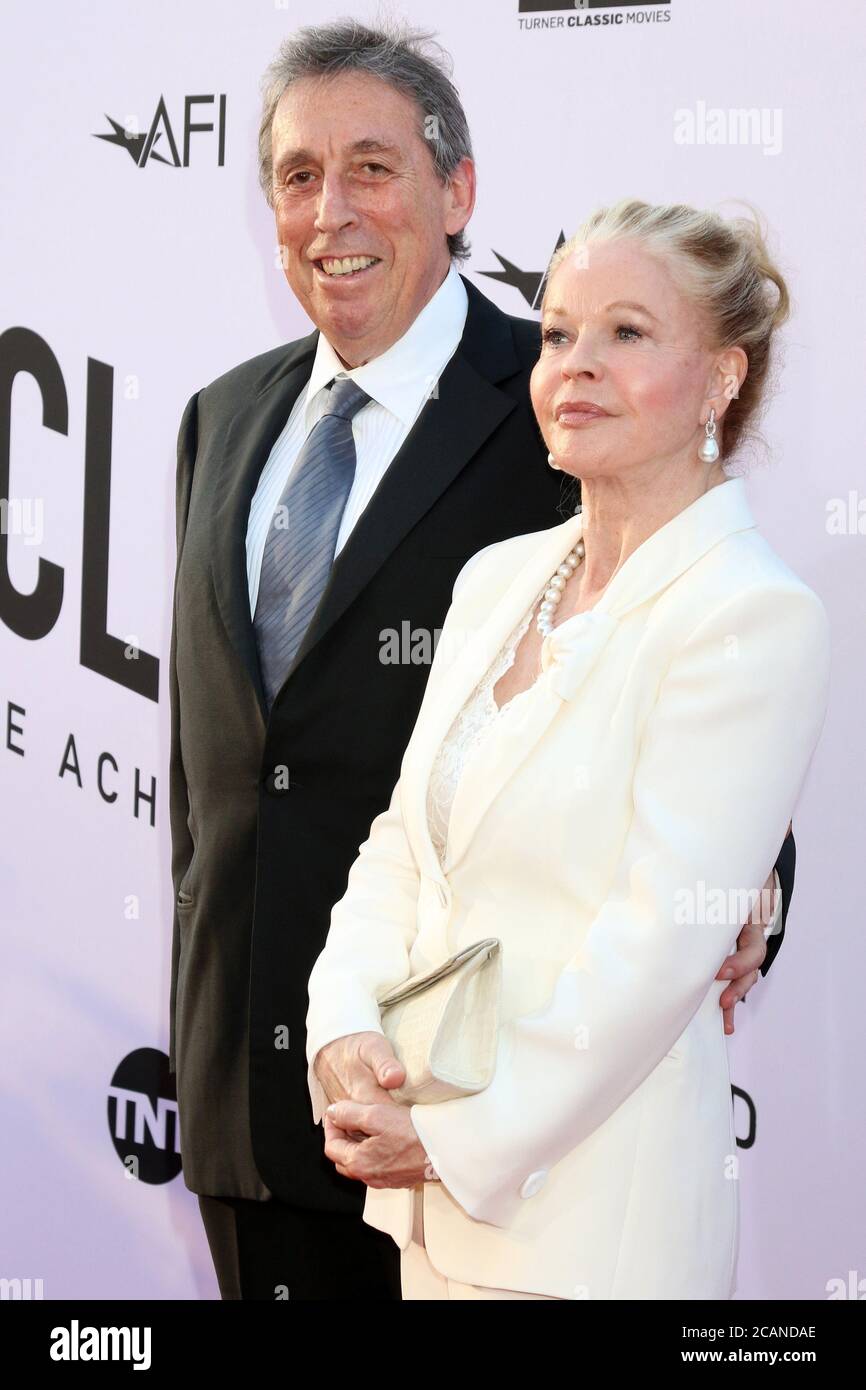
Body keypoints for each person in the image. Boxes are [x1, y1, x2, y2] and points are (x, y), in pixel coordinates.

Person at [169, 17, 787, 1302]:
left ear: (457, 192)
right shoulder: (219, 419)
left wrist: (757, 872)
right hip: (257, 1096)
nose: (331, 212)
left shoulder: (568, 410)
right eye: (296, 175)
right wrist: (288, 1041)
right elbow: (218, 769)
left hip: (479, 1126)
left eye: (372, 168)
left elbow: (689, 708)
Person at [305, 199, 831, 1300]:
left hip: (595, 1236)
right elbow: (405, 845)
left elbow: (655, 949)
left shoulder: (749, 614)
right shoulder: (496, 578)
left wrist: (455, 1139)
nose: (574, 364)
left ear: (721, 378)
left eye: (626, 332)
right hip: (427, 1227)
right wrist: (343, 1028)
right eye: (554, 333)